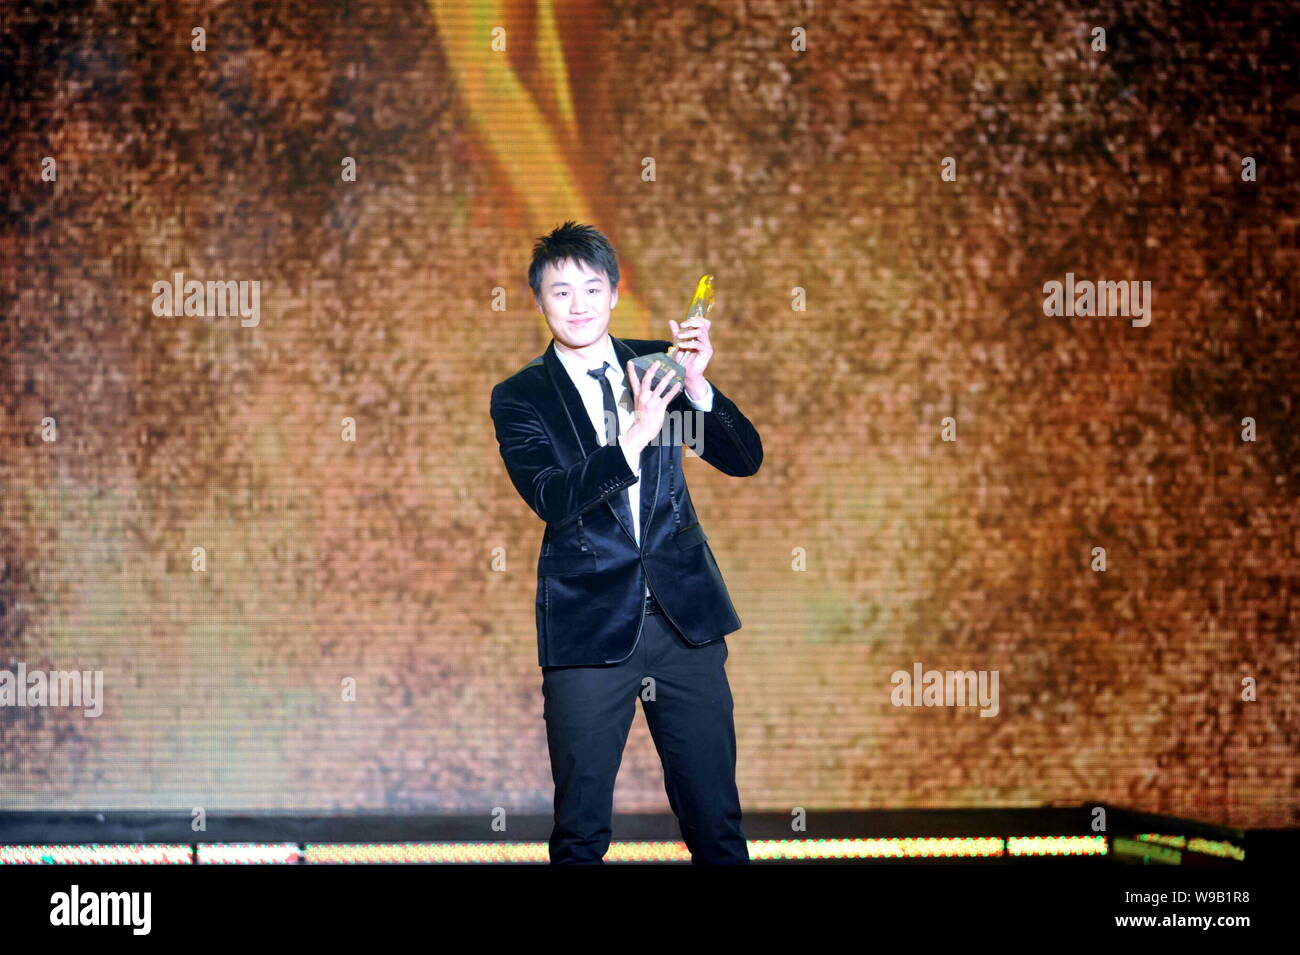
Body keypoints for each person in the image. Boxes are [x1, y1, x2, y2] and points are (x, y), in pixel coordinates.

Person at [490, 221, 764, 864]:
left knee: (716, 823)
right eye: (561, 292)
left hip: (685, 621)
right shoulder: (520, 395)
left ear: (615, 294)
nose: (578, 304)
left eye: (592, 288)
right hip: (587, 628)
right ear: (539, 302)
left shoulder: (657, 367)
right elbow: (553, 498)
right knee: (582, 832)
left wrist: (697, 388)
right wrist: (638, 433)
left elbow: (744, 459)